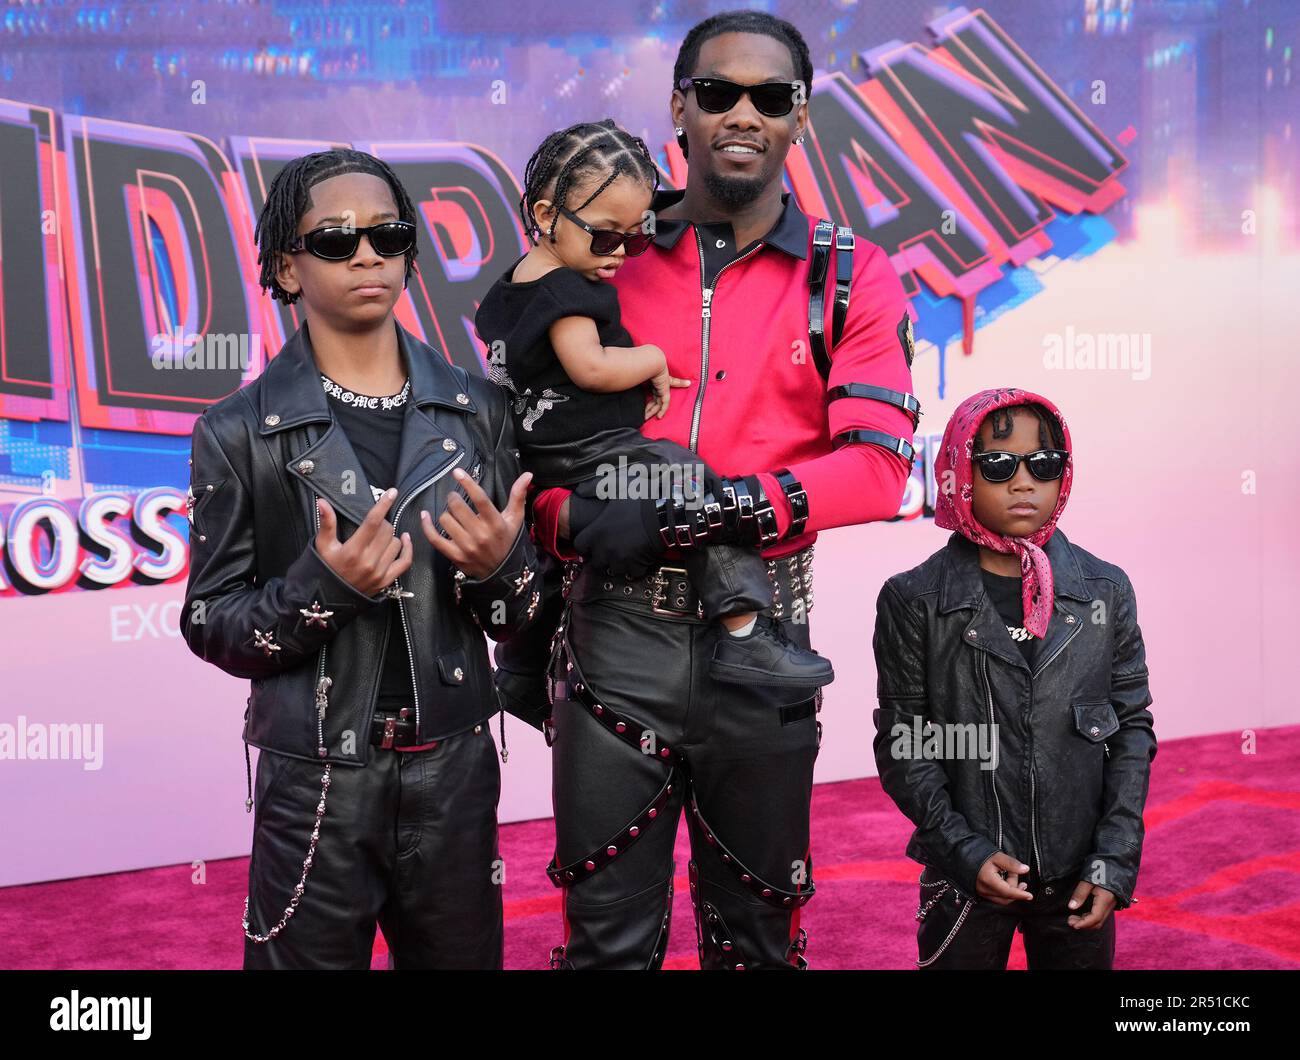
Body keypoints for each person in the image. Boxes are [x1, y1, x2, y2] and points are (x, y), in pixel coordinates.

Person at [513, 11, 920, 969]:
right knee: (607, 948)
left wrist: (724, 508)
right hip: (615, 636)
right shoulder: (600, 253)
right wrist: (569, 519)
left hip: (765, 643)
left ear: (801, 117)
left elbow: (878, 464)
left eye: (770, 97)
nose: (744, 113)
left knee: (758, 946)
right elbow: (528, 439)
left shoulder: (850, 274)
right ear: (679, 108)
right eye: (718, 92)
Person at [180, 148, 542, 969]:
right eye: (336, 240)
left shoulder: (479, 409)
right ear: (288, 266)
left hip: (454, 765)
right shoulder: (238, 432)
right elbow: (211, 623)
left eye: (388, 234)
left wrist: (500, 567)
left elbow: (520, 616)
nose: (368, 254)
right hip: (315, 780)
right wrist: (324, 589)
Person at [475, 117, 834, 694]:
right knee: (691, 483)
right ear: (544, 216)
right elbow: (589, 367)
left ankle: (520, 665)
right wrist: (652, 360)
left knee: (554, 561)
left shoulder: (510, 285)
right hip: (588, 453)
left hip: (538, 455)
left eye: (635, 236)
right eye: (603, 236)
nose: (619, 254)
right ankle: (745, 631)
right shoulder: (565, 292)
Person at [872, 387, 1157, 969]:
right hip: (965, 878)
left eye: (1044, 464)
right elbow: (904, 745)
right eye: (999, 464)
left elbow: (1131, 731)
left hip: (1079, 876)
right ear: (959, 471)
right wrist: (965, 852)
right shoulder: (913, 599)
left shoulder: (1105, 590)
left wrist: (1115, 857)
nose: (1024, 482)